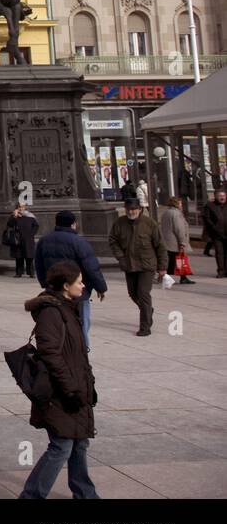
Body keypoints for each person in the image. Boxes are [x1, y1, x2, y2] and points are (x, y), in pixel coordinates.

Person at [18, 261, 100, 499]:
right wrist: (71, 390)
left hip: (76, 387)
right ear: (66, 286)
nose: (83, 285)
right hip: (60, 392)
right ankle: (31, 496)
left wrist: (89, 384)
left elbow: (78, 354)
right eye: (79, 282)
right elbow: (51, 355)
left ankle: (85, 493)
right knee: (62, 445)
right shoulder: (52, 313)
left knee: (80, 443)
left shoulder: (68, 307)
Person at [34, 211, 106, 351]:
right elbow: (91, 266)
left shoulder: (44, 240)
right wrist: (100, 287)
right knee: (82, 321)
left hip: (54, 289)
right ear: (73, 224)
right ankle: (82, 348)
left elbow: (39, 264)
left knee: (58, 319)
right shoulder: (79, 241)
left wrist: (45, 283)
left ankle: (63, 347)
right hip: (77, 290)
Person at [108, 198, 163, 337]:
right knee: (133, 293)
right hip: (129, 264)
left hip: (147, 265)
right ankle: (148, 310)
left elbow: (160, 246)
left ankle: (145, 326)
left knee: (143, 293)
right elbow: (113, 241)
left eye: (134, 209)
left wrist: (162, 267)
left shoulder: (150, 224)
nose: (131, 212)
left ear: (140, 209)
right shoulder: (119, 223)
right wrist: (120, 257)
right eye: (128, 209)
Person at [158, 197, 194, 286]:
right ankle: (182, 277)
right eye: (180, 203)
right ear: (176, 204)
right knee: (179, 260)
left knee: (171, 261)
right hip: (175, 242)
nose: (182, 205)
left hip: (168, 241)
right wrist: (182, 242)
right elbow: (179, 229)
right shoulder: (176, 214)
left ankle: (166, 276)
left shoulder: (166, 213)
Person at [5, 204, 39, 279]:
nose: (21, 208)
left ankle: (31, 273)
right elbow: (9, 225)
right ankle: (18, 273)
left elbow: (36, 226)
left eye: (22, 207)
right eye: (19, 207)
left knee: (29, 257)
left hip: (28, 239)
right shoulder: (14, 216)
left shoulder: (30, 216)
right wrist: (14, 216)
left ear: (25, 208)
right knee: (18, 256)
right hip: (18, 239)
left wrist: (31, 233)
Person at [204, 188, 227, 278]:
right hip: (217, 234)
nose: (222, 198)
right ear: (215, 197)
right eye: (220, 196)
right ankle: (221, 271)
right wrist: (214, 228)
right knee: (219, 253)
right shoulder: (210, 206)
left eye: (223, 196)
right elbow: (207, 219)